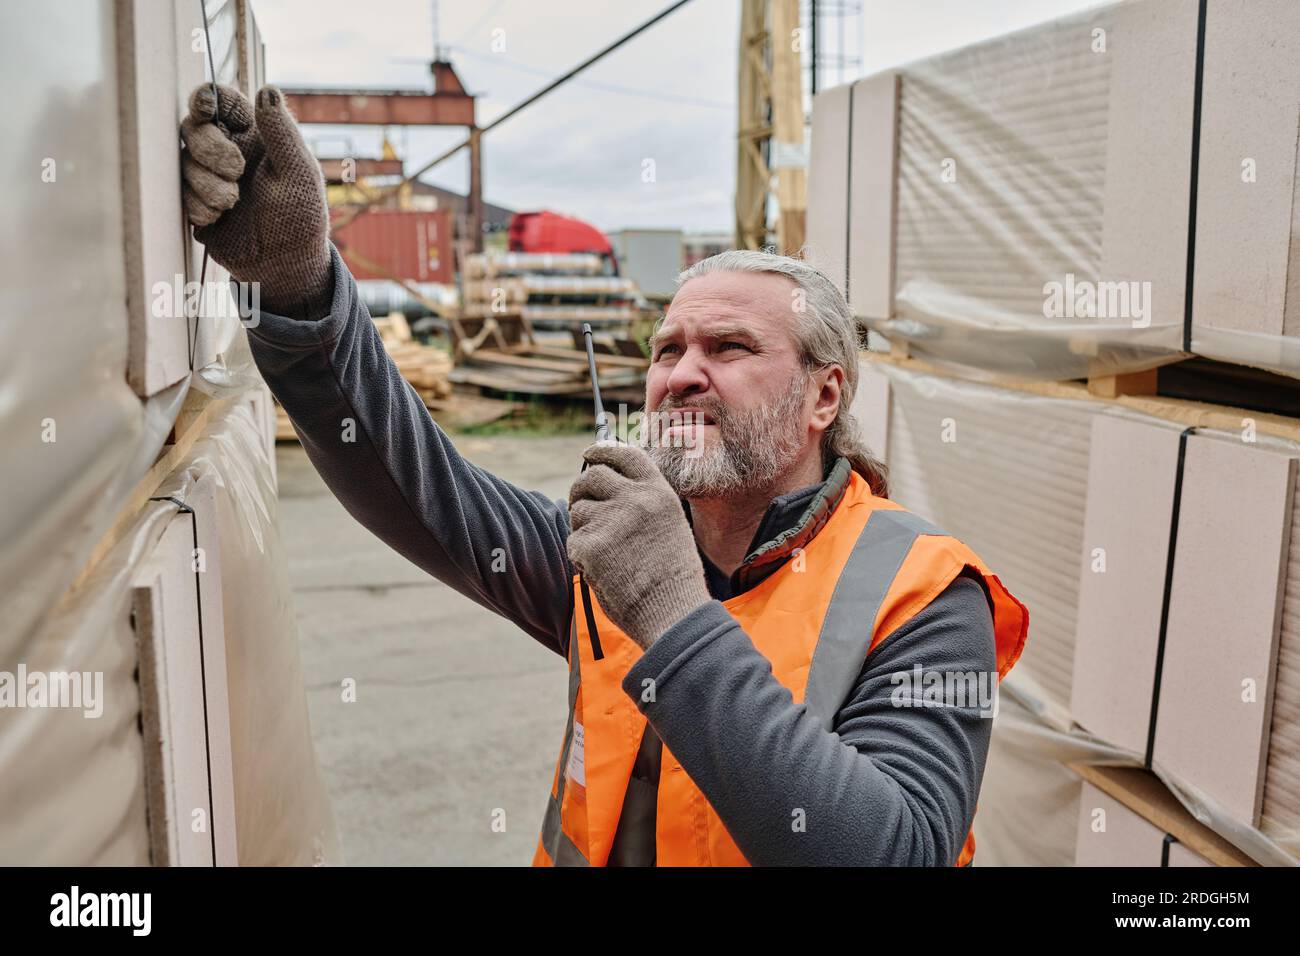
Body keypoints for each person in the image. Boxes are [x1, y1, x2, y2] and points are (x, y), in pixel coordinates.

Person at [180, 83, 1029, 866]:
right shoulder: (608, 551)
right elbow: (414, 482)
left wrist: (669, 609)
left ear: (823, 395)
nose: (681, 374)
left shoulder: (923, 596)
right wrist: (297, 289)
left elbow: (893, 852)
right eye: (667, 350)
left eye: (729, 347)